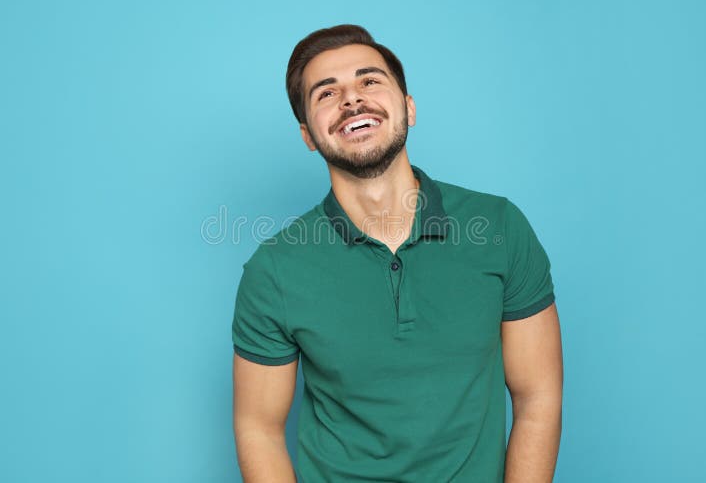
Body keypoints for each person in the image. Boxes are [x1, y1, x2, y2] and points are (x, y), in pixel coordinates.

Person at [232, 24, 562, 482]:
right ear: (307, 134)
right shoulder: (274, 270)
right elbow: (259, 429)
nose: (351, 99)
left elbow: (538, 397)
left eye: (369, 81)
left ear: (408, 107)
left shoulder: (499, 228)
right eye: (327, 93)